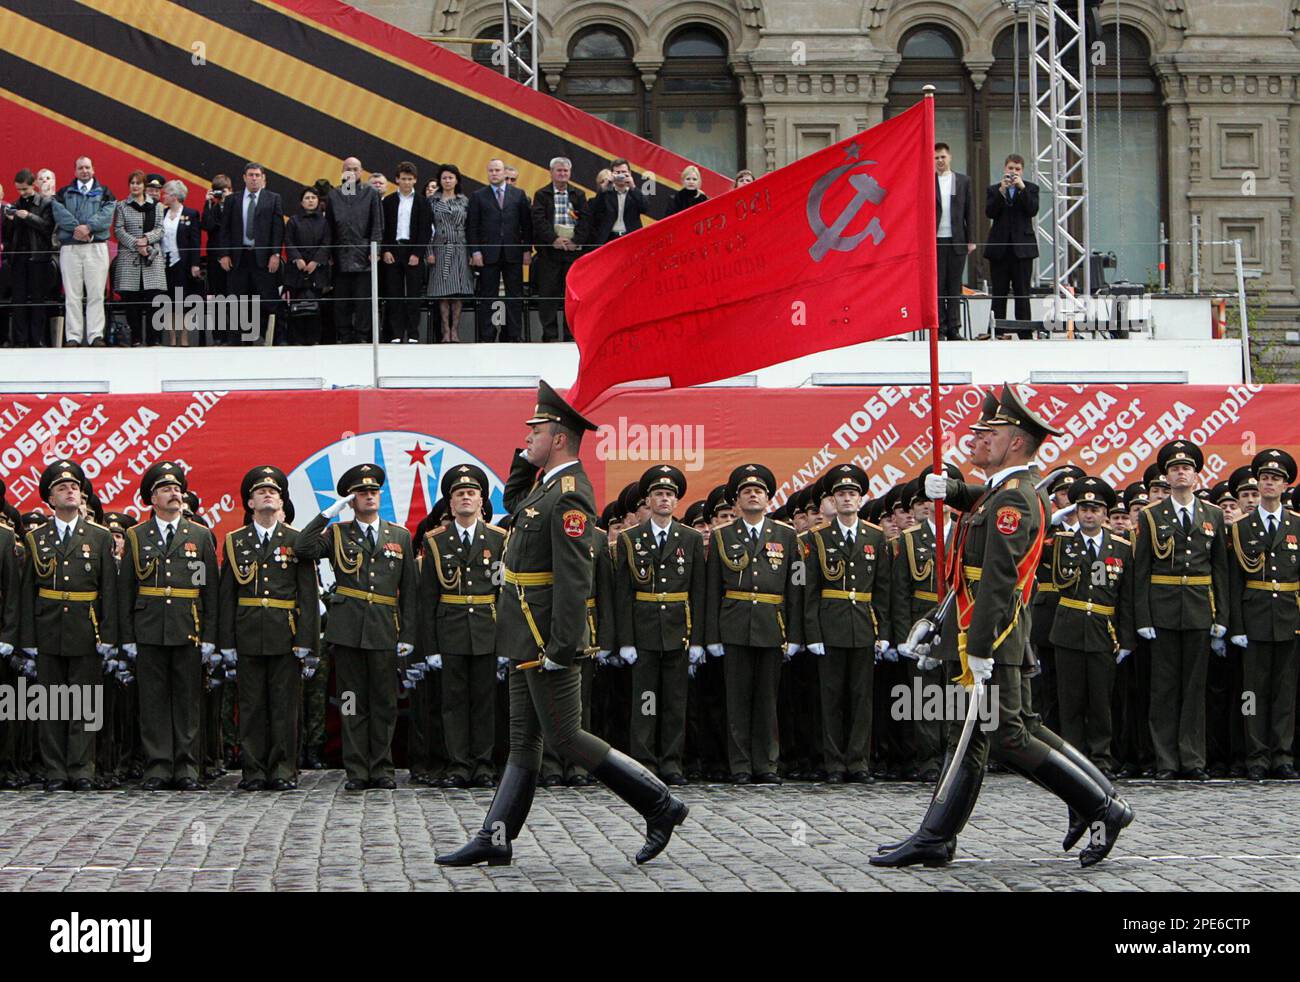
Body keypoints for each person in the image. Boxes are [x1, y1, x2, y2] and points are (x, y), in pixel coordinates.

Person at [874, 384, 1133, 869]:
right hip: (981, 629)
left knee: (1003, 734)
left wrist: (977, 645)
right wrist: (952, 490)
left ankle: (1101, 806)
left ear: (1015, 441)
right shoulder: (1004, 491)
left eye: (987, 433)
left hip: (988, 630)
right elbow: (983, 505)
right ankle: (938, 836)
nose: (976, 440)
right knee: (985, 731)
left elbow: (997, 579)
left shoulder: (1014, 499)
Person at [437, 381, 689, 867]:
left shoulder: (570, 496)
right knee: (524, 739)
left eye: (536, 429)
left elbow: (576, 580)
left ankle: (659, 805)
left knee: (566, 737)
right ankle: (496, 835)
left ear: (558, 437)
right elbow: (513, 507)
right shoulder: (546, 487)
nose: (527, 434)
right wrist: (523, 461)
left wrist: (562, 645)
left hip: (545, 636)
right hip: (523, 633)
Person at [293, 464, 417, 790]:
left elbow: (411, 593)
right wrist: (328, 513)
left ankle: (382, 769)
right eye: (361, 493)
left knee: (384, 702)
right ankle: (357, 770)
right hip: (347, 630)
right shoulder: (337, 533)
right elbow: (303, 548)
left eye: (373, 491)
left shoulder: (399, 536)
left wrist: (408, 635)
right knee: (350, 700)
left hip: (384, 629)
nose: (369, 497)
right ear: (352, 500)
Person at [17, 460, 118, 791]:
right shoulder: (37, 539)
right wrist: (28, 639)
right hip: (48, 628)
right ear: (50, 499)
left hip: (86, 627)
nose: (70, 491)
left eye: (75, 487)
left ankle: (81, 767)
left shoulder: (99, 537)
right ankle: (56, 770)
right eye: (62, 488)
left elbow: (109, 592)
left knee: (84, 700)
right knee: (51, 701)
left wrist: (110, 634)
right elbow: (27, 591)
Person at [119, 462, 220, 790]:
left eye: (178, 489)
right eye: (166, 489)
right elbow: (126, 590)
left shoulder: (200, 535)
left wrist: (209, 635)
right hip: (149, 628)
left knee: (187, 701)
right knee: (153, 701)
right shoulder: (136, 536)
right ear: (152, 498)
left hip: (186, 627)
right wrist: (127, 637)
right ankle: (158, 766)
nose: (175, 494)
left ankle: (187, 767)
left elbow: (207, 589)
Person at [1133, 439, 1229, 780]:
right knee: (1163, 689)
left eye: (1186, 468)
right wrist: (1142, 617)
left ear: (1197, 475)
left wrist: (1222, 618)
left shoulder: (1213, 515)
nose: (1181, 473)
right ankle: (1166, 761)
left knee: (1194, 689)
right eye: (1174, 469)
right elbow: (1140, 571)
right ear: (1166, 477)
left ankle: (1192, 759)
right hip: (1162, 611)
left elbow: (1221, 571)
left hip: (1201, 610)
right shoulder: (1150, 515)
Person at [218, 467, 318, 791]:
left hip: (285, 633)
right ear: (249, 502)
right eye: (260, 492)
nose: (267, 495)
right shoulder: (236, 542)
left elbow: (308, 594)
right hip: (247, 633)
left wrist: (307, 640)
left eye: (273, 492)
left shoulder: (296, 540)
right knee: (250, 706)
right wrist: (226, 643)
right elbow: (227, 596)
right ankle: (254, 770)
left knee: (284, 706)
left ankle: (283, 769)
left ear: (282, 501)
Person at [705, 463, 802, 783]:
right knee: (737, 699)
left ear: (768, 499)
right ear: (736, 501)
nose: (753, 495)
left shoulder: (785, 535)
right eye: (746, 491)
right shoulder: (723, 536)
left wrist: (796, 632)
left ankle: (767, 764)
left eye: (758, 491)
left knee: (767, 700)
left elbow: (794, 587)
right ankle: (741, 765)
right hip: (734, 624)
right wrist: (712, 635)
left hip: (772, 625)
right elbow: (711, 589)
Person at [613, 465, 705, 784]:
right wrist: (624, 640)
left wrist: (698, 640)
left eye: (669, 495)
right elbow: (622, 595)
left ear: (676, 502)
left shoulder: (690, 538)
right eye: (658, 494)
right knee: (646, 700)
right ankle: (644, 760)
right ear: (648, 501)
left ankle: (671, 761)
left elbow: (699, 592)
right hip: (644, 630)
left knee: (674, 701)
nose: (664, 499)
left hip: (679, 629)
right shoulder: (630, 539)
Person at [803, 464, 891, 784]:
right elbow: (810, 590)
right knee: (831, 698)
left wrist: (883, 631)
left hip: (863, 625)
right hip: (830, 624)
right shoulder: (819, 538)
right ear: (833, 500)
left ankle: (858, 762)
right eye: (841, 494)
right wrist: (813, 632)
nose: (847, 499)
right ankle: (834, 763)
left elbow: (882, 591)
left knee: (861, 699)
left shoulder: (875, 537)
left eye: (852, 494)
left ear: (861, 499)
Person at [420, 465, 505, 788]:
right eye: (459, 494)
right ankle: (458, 764)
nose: (466, 498)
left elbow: (504, 594)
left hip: (487, 629)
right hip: (450, 631)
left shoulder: (498, 540)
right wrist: (430, 649)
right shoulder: (436, 541)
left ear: (482, 501)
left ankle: (483, 764)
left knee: (485, 701)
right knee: (453, 702)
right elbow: (427, 598)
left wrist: (506, 645)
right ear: (451, 503)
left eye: (471, 493)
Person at [1049, 477, 1135, 779]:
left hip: (1103, 630)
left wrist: (1125, 639)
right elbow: (1033, 544)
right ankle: (1074, 758)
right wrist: (1055, 521)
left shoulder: (1121, 548)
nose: (1089, 514)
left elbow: (1126, 597)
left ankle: (1101, 758)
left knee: (1100, 700)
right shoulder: (1062, 542)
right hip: (1069, 628)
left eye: (1096, 509)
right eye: (1084, 508)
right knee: (1070, 699)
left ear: (1106, 514)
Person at [1227, 449, 1300, 780]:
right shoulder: (1243, 527)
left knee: (1284, 691)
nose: (1270, 483)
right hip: (1254, 616)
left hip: (1288, 616)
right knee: (1251, 693)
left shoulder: (1297, 524)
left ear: (1285, 486)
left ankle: (1282, 754)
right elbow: (1233, 580)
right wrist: (1236, 626)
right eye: (1265, 478)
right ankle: (1255, 754)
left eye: (1276, 479)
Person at [51, 156, 116, 347]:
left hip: (95, 248)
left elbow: (107, 215)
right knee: (72, 294)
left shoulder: (104, 192)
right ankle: (73, 336)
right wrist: (77, 229)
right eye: (80, 168)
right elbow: (59, 212)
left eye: (87, 167)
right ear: (75, 171)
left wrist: (88, 227)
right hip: (70, 247)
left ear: (93, 170)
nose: (84, 171)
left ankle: (95, 335)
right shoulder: (64, 192)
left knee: (96, 293)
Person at [218, 162, 284, 346]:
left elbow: (277, 230)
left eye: (257, 175)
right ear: (244, 178)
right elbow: (225, 229)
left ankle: (275, 339)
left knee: (269, 300)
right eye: (251, 175)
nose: (254, 178)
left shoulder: (273, 199)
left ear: (263, 178)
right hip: (239, 258)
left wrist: (275, 254)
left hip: (263, 258)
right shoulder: (233, 200)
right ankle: (236, 340)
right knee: (236, 300)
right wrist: (223, 254)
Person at [466, 158, 532, 342]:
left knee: (514, 295)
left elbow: (526, 225)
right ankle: (487, 335)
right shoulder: (478, 196)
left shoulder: (518, 195)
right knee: (488, 295)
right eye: (491, 170)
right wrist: (475, 251)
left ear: (504, 173)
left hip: (513, 252)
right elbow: (472, 226)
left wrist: (527, 249)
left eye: (497, 170)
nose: (494, 173)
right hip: (488, 254)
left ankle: (513, 334)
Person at [530, 157, 590, 343]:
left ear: (570, 173)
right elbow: (538, 221)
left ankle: (570, 333)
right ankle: (550, 335)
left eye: (565, 171)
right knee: (547, 295)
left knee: (570, 296)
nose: (562, 174)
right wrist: (553, 240)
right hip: (550, 253)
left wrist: (576, 241)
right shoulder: (541, 194)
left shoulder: (578, 195)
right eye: (559, 170)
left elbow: (586, 220)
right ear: (551, 172)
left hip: (572, 253)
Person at [325, 157, 382, 344]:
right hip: (340, 255)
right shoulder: (334, 194)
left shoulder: (371, 193)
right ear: (342, 171)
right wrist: (329, 253)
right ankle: (344, 335)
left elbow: (377, 224)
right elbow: (329, 227)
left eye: (355, 169)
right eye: (348, 169)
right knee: (341, 300)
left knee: (363, 300)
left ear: (361, 171)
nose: (351, 172)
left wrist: (375, 248)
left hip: (364, 253)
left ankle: (362, 335)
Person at [984, 153, 1040, 337]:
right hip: (1000, 250)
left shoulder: (1031, 189)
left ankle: (1025, 333)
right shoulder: (994, 190)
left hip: (1022, 251)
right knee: (999, 293)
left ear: (1022, 171)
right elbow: (990, 212)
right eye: (1010, 169)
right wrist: (1002, 191)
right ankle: (997, 332)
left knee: (1022, 293)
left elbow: (1032, 209)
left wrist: (1022, 189)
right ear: (1004, 169)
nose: (1013, 173)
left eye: (1017, 169)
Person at [1, 169, 56, 347]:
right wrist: (10, 220)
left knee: (38, 299)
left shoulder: (45, 203)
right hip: (18, 258)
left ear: (33, 185)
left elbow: (48, 228)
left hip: (38, 257)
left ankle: (37, 339)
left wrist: (29, 217)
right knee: (19, 300)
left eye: (25, 189)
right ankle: (20, 340)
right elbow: (9, 236)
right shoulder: (15, 204)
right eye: (18, 189)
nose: (22, 193)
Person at [380, 162, 432, 344]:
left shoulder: (422, 202)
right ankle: (395, 333)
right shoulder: (388, 201)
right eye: (403, 179)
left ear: (415, 180)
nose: (406, 182)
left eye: (410, 179)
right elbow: (383, 229)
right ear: (396, 180)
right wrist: (385, 249)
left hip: (413, 251)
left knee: (413, 294)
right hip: (393, 250)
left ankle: (413, 334)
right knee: (394, 293)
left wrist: (417, 253)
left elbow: (425, 230)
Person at [112, 171, 166, 347]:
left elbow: (160, 229)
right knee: (132, 301)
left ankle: (154, 338)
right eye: (132, 183)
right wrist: (136, 244)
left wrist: (146, 240)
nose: (135, 186)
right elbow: (119, 230)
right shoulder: (122, 206)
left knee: (154, 300)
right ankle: (135, 338)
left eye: (138, 183)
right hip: (130, 258)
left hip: (152, 257)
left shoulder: (157, 206)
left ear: (144, 186)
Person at [934, 143, 975, 341]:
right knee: (938, 286)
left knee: (954, 285)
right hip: (935, 240)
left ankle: (954, 327)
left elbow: (970, 210)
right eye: (936, 158)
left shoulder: (962, 181)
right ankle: (939, 328)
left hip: (957, 238)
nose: (940, 161)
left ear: (949, 157)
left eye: (942, 157)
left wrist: (971, 239)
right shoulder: (928, 181)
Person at [283, 186, 332, 346]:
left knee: (316, 307)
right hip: (297, 270)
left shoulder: (324, 222)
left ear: (318, 201)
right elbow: (288, 242)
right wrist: (297, 259)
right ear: (301, 202)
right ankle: (296, 339)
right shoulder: (293, 221)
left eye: (313, 198)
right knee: (296, 306)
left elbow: (326, 243)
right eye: (307, 198)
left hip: (317, 270)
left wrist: (315, 262)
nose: (310, 201)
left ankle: (314, 338)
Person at [158, 180, 203, 346]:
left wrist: (195, 264)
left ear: (175, 196)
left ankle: (184, 336)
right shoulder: (161, 213)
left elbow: (195, 241)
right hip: (163, 262)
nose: (163, 196)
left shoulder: (190, 214)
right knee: (167, 300)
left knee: (182, 300)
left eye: (166, 194)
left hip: (182, 263)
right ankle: (171, 337)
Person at [200, 174, 233, 344]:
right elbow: (207, 225)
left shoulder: (235, 206)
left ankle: (235, 334)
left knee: (233, 295)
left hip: (232, 257)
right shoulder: (211, 208)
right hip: (214, 258)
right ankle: (219, 336)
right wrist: (207, 202)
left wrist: (228, 201)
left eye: (224, 191)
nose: (221, 195)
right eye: (218, 192)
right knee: (218, 296)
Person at [592, 158, 648, 246]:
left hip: (631, 238)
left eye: (623, 172)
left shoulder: (635, 193)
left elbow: (645, 208)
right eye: (617, 173)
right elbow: (595, 210)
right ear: (611, 174)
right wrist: (605, 185)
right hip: (609, 239)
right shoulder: (606, 193)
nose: (620, 175)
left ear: (629, 173)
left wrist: (632, 186)